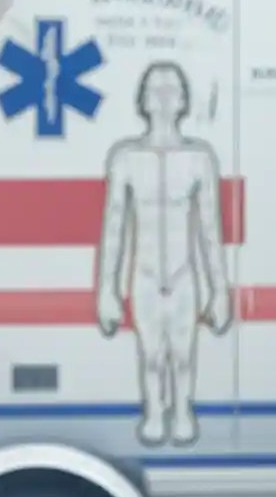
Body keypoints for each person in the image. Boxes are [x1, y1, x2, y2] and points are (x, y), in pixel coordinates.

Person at [94, 61, 232, 447]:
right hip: (146, 274)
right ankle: (155, 412)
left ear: (184, 100)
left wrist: (220, 290)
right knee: (152, 354)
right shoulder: (125, 158)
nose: (164, 97)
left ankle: (183, 410)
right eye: (156, 89)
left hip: (184, 274)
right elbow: (115, 227)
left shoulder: (199, 158)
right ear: (143, 100)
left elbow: (210, 230)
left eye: (172, 89)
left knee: (184, 355)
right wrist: (107, 289)